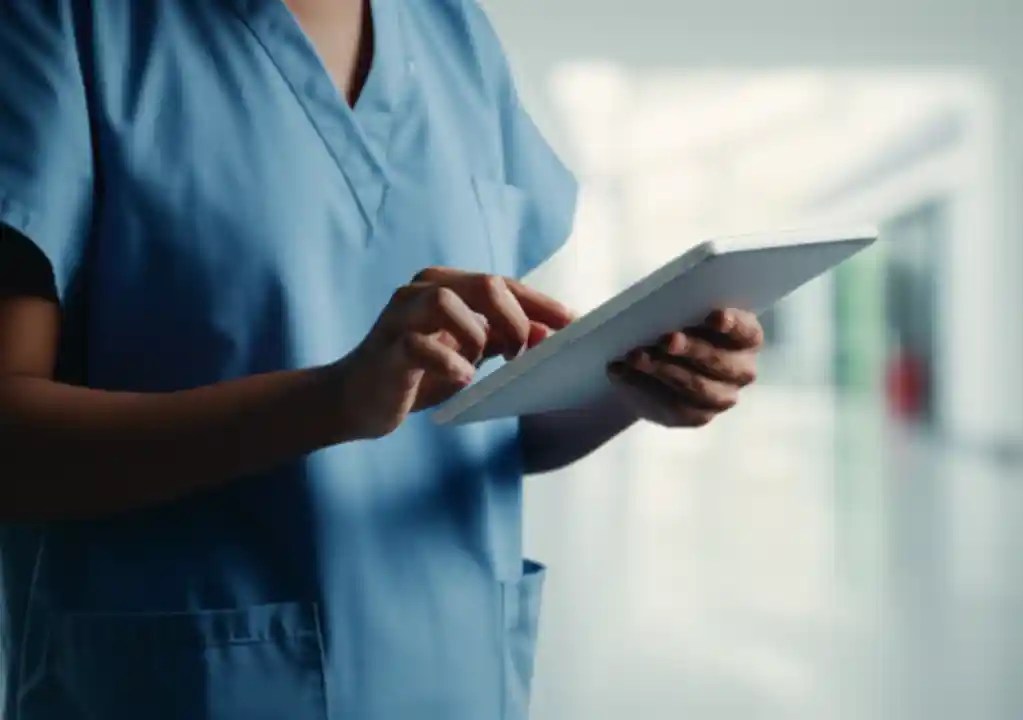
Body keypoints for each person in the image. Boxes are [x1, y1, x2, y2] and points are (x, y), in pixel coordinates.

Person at [0, 1, 764, 718]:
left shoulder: (450, 31)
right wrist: (332, 403)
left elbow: (475, 423)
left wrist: (635, 383)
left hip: (456, 680)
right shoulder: (66, 26)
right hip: (188, 686)